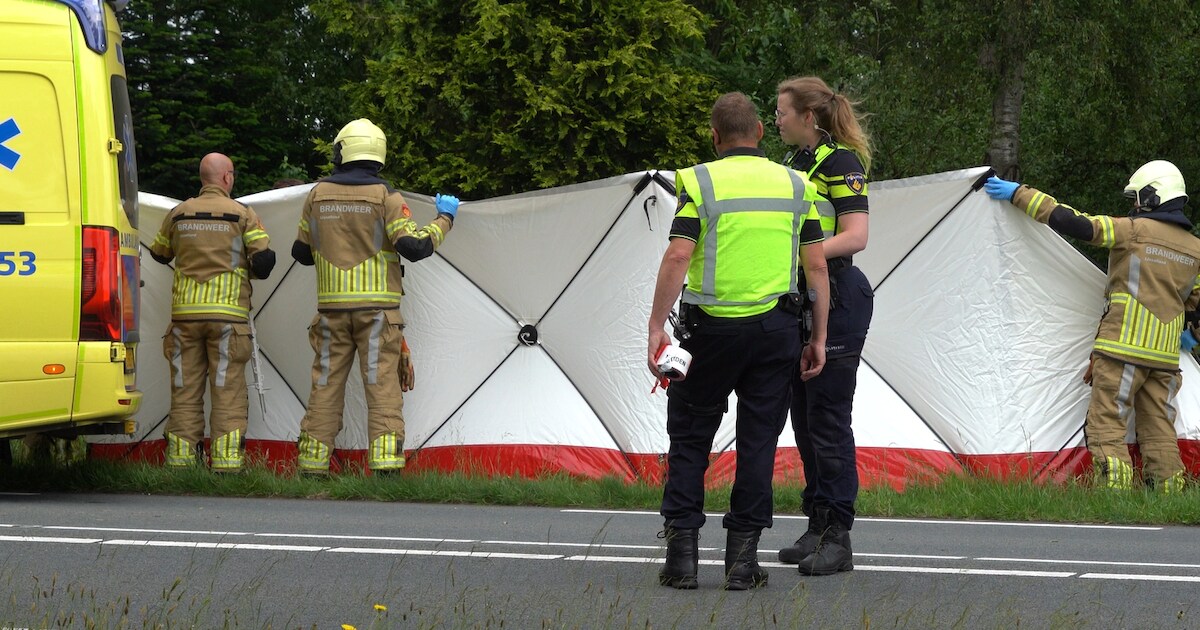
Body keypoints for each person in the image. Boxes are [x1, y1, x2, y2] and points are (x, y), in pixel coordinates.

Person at [648, 92, 830, 591]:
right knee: (758, 443)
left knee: (689, 438)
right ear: (761, 134)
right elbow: (815, 265)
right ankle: (742, 564)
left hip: (709, 333)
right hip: (775, 333)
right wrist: (819, 335)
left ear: (714, 136)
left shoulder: (701, 182)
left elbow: (677, 257)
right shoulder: (796, 185)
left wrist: (656, 328)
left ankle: (682, 559)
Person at [985, 160, 1200, 493]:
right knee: (1159, 427)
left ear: (1154, 196)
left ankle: (1113, 493)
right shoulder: (1195, 250)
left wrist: (1019, 194)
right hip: (1165, 360)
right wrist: (1188, 330)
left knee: (1108, 424)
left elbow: (1078, 224)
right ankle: (1169, 494)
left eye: (1138, 199)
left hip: (1122, 350)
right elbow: (1194, 300)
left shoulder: (1134, 230)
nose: (1135, 207)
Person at [291, 118, 458, 475]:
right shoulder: (386, 196)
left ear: (343, 151)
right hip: (379, 317)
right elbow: (414, 247)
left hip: (331, 314)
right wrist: (445, 218)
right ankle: (384, 468)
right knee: (382, 388)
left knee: (325, 387)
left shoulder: (317, 195)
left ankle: (311, 466)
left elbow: (302, 253)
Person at [773, 76, 874, 576]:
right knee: (804, 417)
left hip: (837, 292)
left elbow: (856, 237)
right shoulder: (793, 163)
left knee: (829, 418)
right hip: (800, 296)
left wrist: (801, 253)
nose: (776, 119)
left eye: (782, 111)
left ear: (808, 116)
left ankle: (839, 534)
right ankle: (816, 522)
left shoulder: (842, 164)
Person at [149, 153, 277, 472]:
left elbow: (159, 253)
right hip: (227, 320)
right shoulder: (242, 214)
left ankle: (180, 463)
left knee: (185, 390)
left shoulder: (178, 214)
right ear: (227, 178)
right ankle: (226, 464)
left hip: (184, 321)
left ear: (202, 178)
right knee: (227, 390)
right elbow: (264, 260)